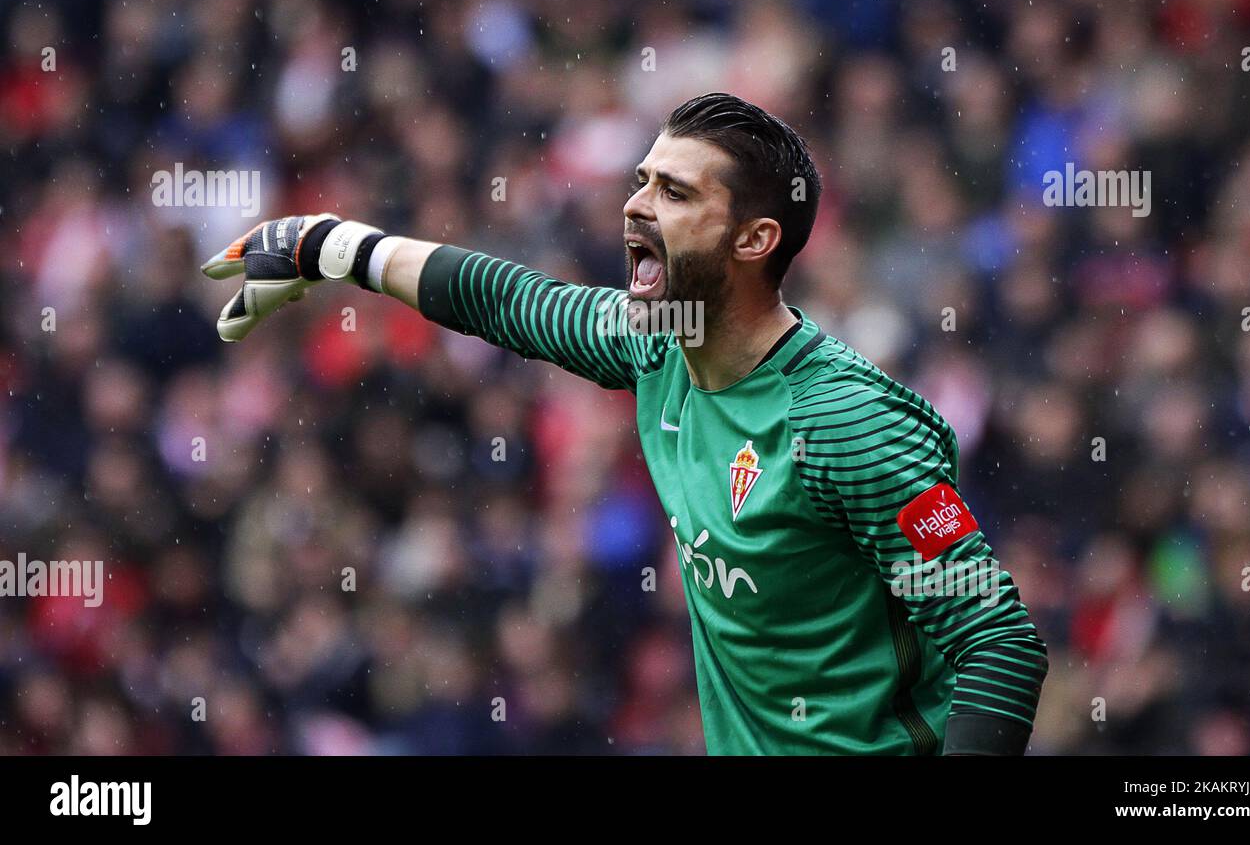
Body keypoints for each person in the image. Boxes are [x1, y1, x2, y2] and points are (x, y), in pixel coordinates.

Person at [203, 92, 1049, 755]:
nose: (634, 206)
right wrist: (328, 243)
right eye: (641, 180)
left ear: (755, 239)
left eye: (673, 192)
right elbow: (508, 300)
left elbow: (999, 644)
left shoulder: (845, 424)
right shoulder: (655, 345)